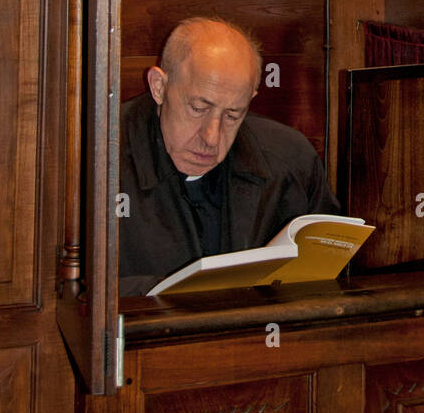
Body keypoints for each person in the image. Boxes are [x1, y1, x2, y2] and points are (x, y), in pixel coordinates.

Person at [118, 17, 339, 296]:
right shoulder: (94, 164)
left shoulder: (290, 160)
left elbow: (325, 283)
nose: (211, 137)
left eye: (233, 114)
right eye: (198, 108)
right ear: (159, 87)